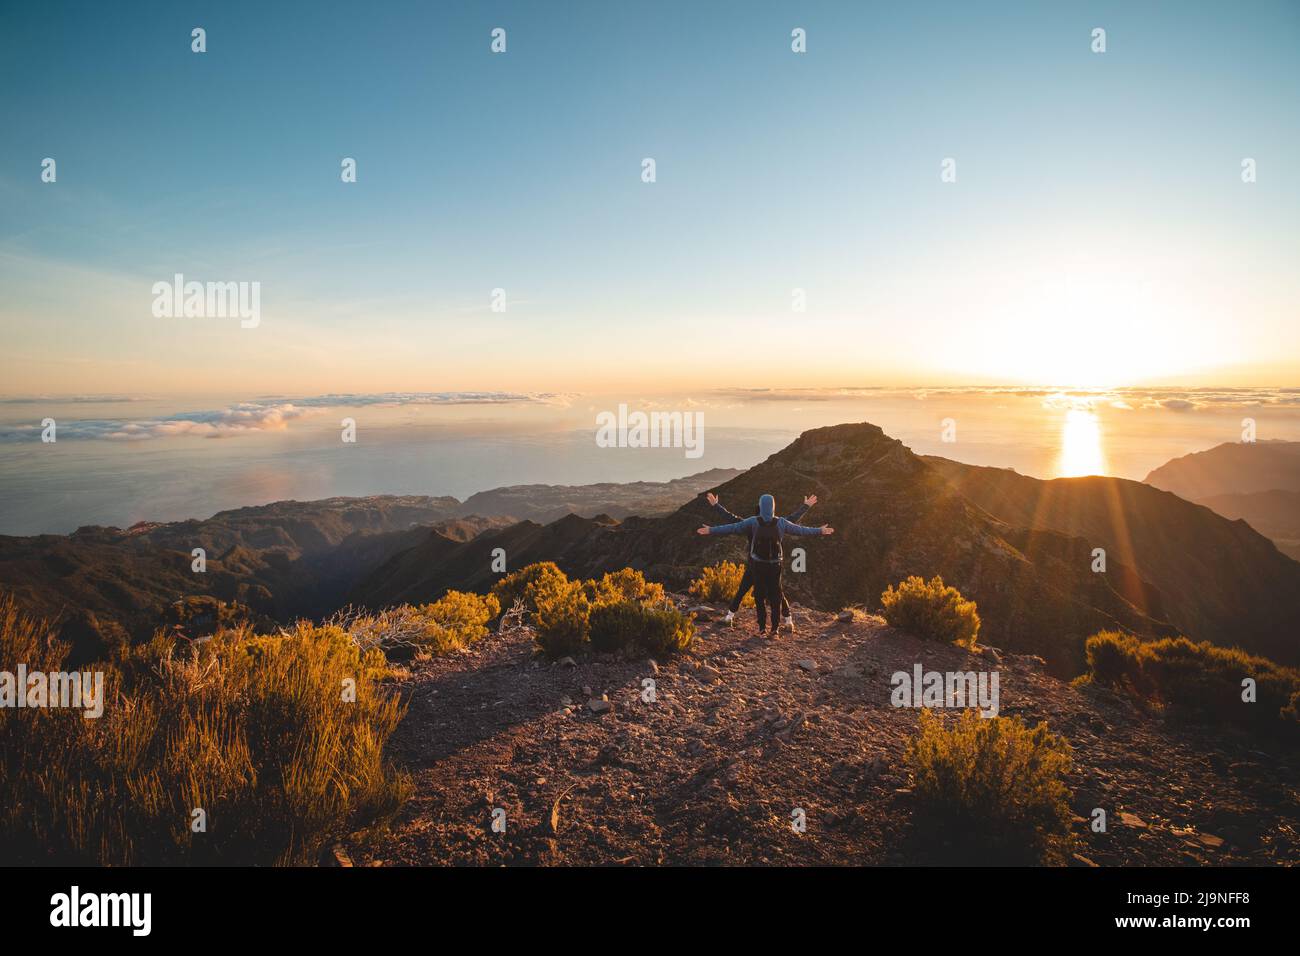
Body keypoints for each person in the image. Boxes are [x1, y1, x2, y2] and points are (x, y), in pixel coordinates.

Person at [697, 494, 833, 638]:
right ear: (773, 507)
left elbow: (732, 525)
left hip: (756, 565)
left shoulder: (751, 522)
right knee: (777, 596)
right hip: (775, 566)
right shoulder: (781, 522)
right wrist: (819, 529)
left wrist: (711, 528)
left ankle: (759, 628)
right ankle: (778, 627)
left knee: (757, 597)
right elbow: (800, 529)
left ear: (760, 508)